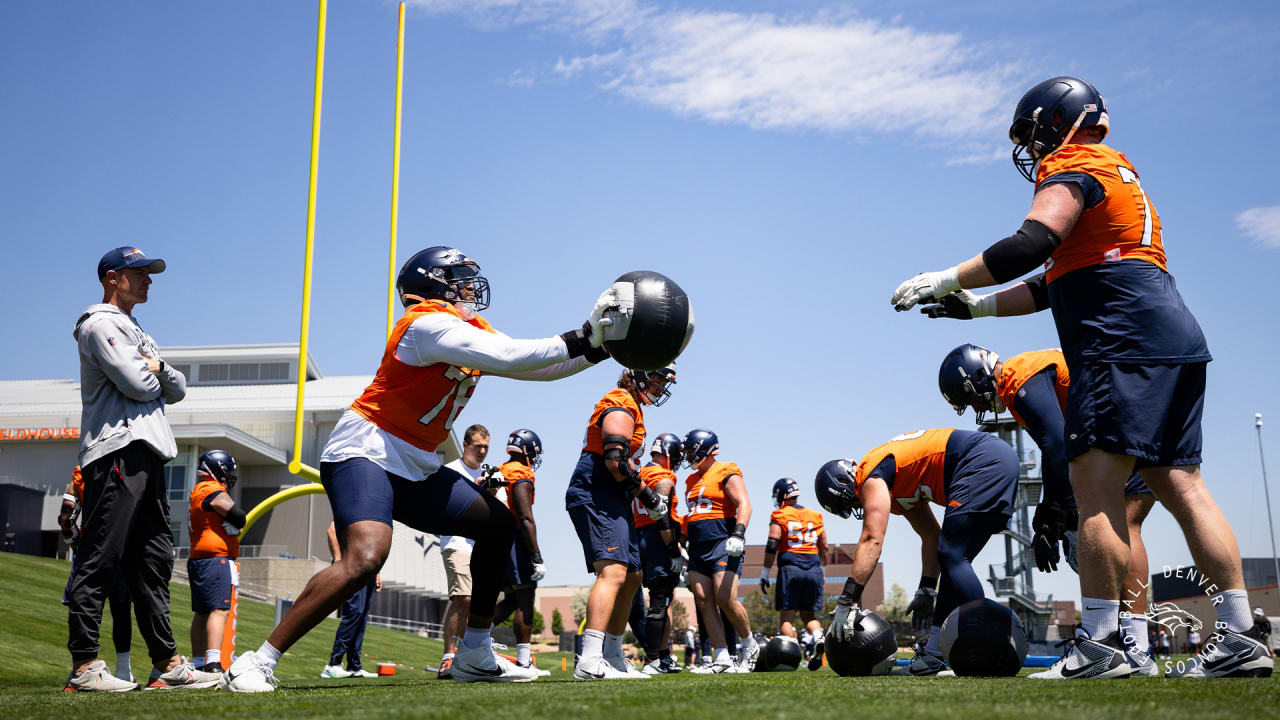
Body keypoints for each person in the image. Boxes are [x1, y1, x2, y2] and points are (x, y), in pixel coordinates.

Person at [893, 76, 1272, 679]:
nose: (1031, 146)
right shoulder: (1120, 172)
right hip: (1171, 337)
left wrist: (948, 277)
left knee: (1097, 495)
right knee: (1184, 487)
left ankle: (1100, 647)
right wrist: (978, 307)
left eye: (1031, 131)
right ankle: (1242, 635)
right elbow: (1054, 279)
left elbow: (1030, 243)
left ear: (1056, 120)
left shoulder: (1073, 162)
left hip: (1119, 344)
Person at [223, 246, 627, 691]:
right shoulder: (426, 325)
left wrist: (601, 348)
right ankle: (257, 661)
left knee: (497, 525)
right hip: (368, 447)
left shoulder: (465, 328)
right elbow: (516, 355)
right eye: (460, 278)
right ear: (433, 283)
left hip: (415, 460)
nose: (471, 287)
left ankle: (474, 651)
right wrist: (587, 332)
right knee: (365, 556)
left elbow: (539, 368)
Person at [936, 345, 1160, 676]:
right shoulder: (1034, 371)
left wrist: (1049, 520)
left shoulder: (1017, 375)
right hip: (1138, 414)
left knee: (1092, 534)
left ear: (979, 375)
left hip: (1117, 429)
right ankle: (1137, 650)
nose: (978, 406)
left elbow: (1056, 445)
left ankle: (1100, 644)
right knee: (1128, 527)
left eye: (972, 398)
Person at [68, 247, 216, 692]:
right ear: (112, 278)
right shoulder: (100, 323)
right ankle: (84, 666)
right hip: (117, 451)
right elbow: (139, 384)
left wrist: (160, 369)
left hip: (146, 453)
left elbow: (178, 387)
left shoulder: (135, 328)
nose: (148, 280)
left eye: (149, 273)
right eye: (138, 273)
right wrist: (156, 375)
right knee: (100, 558)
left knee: (151, 562)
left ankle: (167, 665)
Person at [815, 427, 1018, 676]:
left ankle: (987, 639)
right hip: (994, 458)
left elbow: (872, 540)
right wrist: (926, 588)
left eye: (850, 502)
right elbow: (932, 536)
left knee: (953, 555)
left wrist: (848, 599)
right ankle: (934, 654)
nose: (858, 506)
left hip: (981, 459)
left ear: (846, 482)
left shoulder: (869, 474)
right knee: (953, 559)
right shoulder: (898, 486)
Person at [566, 364, 677, 680]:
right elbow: (616, 462)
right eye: (656, 379)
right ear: (640, 373)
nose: (659, 388)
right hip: (596, 490)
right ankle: (590, 659)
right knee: (614, 570)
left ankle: (613, 656)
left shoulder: (635, 408)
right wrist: (649, 497)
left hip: (612, 496)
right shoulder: (621, 401)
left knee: (632, 575)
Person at [682, 429, 759, 674]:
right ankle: (722, 656)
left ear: (707, 448)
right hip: (697, 547)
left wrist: (738, 533)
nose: (688, 455)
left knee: (725, 597)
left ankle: (749, 644)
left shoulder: (726, 470)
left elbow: (744, 504)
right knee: (704, 601)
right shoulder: (691, 480)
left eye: (692, 450)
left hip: (722, 543)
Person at [59, 465, 134, 683]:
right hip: (120, 548)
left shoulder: (81, 474)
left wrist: (76, 545)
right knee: (121, 611)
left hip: (90, 550)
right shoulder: (124, 469)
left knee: (86, 609)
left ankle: (83, 669)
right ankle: (123, 670)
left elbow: (66, 518)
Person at [491, 429, 549, 675]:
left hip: (494, 539)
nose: (535, 458)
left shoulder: (499, 469)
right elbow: (525, 517)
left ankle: (472, 637)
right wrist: (536, 556)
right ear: (526, 451)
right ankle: (524, 661)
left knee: (512, 599)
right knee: (526, 597)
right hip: (514, 538)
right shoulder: (521, 474)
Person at [435, 424, 490, 679]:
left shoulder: (489, 473)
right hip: (456, 542)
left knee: (475, 601)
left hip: (480, 546)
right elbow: (443, 508)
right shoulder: (449, 472)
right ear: (466, 445)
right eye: (478, 446)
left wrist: (489, 493)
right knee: (463, 597)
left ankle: (467, 657)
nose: (482, 452)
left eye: (486, 448)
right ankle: (448, 656)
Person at [631, 433, 685, 675]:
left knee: (660, 599)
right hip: (656, 539)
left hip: (637, 536)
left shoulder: (639, 474)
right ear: (669, 453)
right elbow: (662, 518)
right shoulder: (662, 478)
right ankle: (652, 659)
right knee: (659, 598)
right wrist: (673, 550)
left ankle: (662, 656)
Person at [187, 450, 246, 674]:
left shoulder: (198, 490)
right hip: (216, 559)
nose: (229, 475)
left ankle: (199, 663)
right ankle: (212, 663)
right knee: (218, 610)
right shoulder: (210, 489)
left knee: (202, 613)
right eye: (227, 470)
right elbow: (237, 515)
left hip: (200, 558)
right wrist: (237, 524)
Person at [760, 477, 827, 671]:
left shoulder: (780, 514)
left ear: (782, 495)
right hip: (813, 569)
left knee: (787, 618)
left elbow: (773, 543)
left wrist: (765, 572)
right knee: (809, 615)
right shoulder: (815, 515)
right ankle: (818, 637)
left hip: (791, 568)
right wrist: (822, 572)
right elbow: (825, 546)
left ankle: (790, 655)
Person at [321, 521, 381, 679]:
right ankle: (333, 664)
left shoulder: (373, 516)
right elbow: (331, 530)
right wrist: (338, 560)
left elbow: (371, 546)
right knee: (354, 612)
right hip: (352, 569)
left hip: (368, 571)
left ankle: (354, 666)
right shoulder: (353, 511)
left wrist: (377, 573)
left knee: (361, 617)